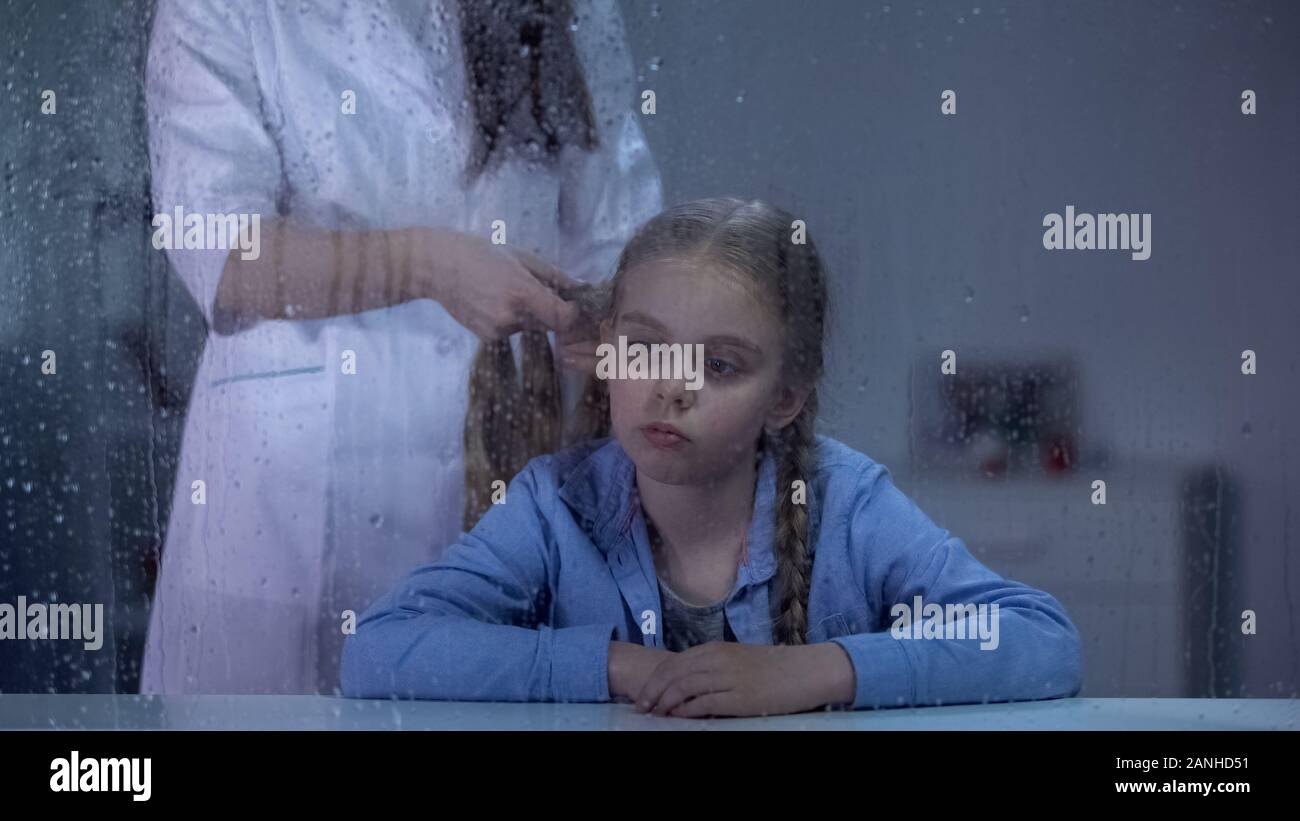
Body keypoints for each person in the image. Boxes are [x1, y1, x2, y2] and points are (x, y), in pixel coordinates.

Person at [340, 197, 1084, 716]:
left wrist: (815, 672)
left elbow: (1038, 638)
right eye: (645, 348)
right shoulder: (553, 503)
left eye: (721, 366)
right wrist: (623, 667)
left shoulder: (842, 500)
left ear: (786, 397)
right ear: (606, 353)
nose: (672, 387)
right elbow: (377, 651)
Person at [142, 0, 662, 694]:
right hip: (291, 495)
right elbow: (224, 253)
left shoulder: (568, 8)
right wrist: (425, 266)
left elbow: (620, 234)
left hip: (512, 455)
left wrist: (615, 323)